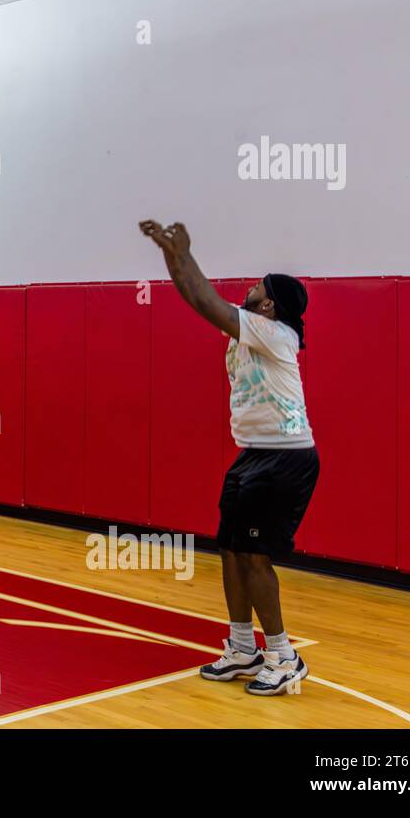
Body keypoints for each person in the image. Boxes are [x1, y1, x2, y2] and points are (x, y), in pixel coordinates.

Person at [140, 219, 319, 696]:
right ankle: (244, 646)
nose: (248, 287)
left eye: (257, 285)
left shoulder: (272, 332)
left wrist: (185, 252)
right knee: (232, 551)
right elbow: (198, 299)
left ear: (269, 303)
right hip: (253, 457)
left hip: (287, 459)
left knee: (256, 557)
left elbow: (204, 300)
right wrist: (170, 255)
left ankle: (283, 655)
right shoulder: (251, 329)